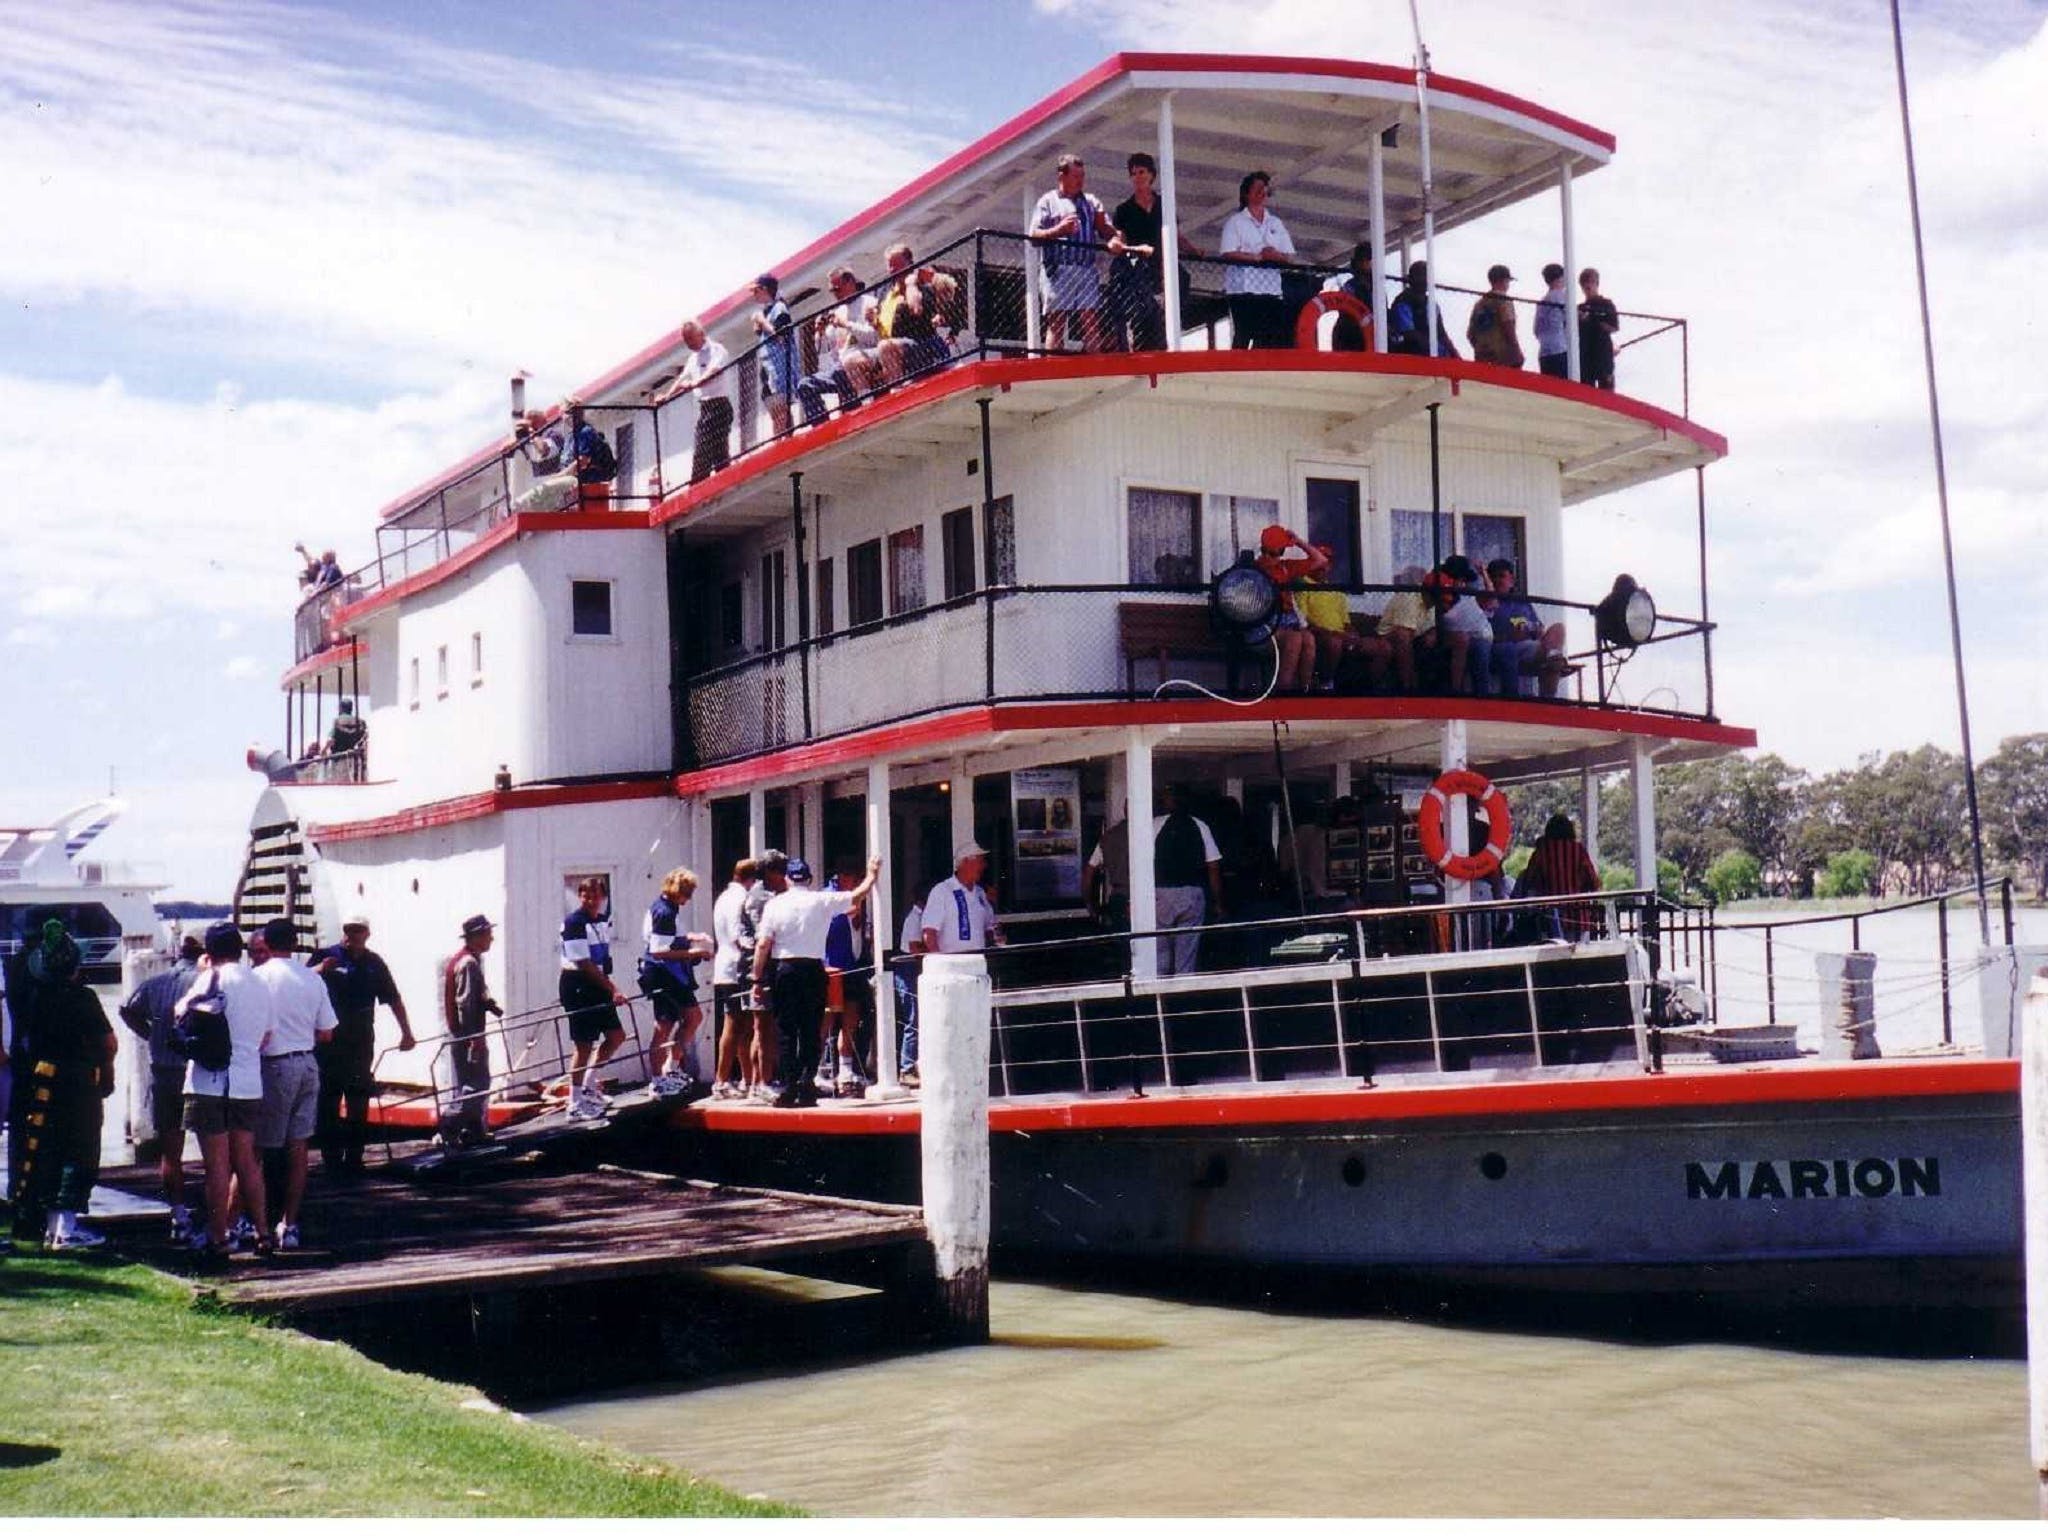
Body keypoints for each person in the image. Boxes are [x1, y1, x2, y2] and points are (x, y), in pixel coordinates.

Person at [13, 923, 117, 1250]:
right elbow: (109, 1043)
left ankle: (48, 1226)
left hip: (40, 1078)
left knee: (45, 1149)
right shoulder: (83, 998)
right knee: (79, 1151)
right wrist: (103, 1067)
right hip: (77, 1082)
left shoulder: (31, 998)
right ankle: (66, 1229)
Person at [752, 852, 881, 1108]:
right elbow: (857, 895)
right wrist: (871, 874)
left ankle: (790, 1086)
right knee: (811, 1029)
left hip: (785, 969)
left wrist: (756, 979)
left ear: (787, 879)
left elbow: (763, 945)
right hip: (813, 969)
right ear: (809, 879)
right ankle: (807, 1083)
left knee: (786, 1030)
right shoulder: (821, 901)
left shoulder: (775, 905)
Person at [178, 921, 275, 1266]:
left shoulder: (211, 979)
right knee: (247, 1161)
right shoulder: (259, 983)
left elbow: (181, 1014)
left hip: (210, 1081)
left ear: (211, 952)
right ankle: (263, 1233)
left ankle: (218, 1237)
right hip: (248, 1081)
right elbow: (267, 1035)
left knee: (216, 1165)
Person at [250, 918, 334, 1251]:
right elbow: (327, 1032)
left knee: (255, 1149)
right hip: (308, 1063)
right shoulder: (311, 979)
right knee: (298, 1149)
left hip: (273, 1064)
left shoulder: (258, 978)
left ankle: (250, 1222)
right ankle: (290, 1223)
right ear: (295, 943)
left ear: (266, 944)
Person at [310, 915, 414, 1175]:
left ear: (366, 934)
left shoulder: (374, 963)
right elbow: (299, 980)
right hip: (330, 1041)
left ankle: (355, 1157)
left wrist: (406, 1032)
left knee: (358, 1099)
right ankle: (331, 1158)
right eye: (348, 930)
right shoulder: (326, 955)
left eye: (358, 930)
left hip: (360, 1041)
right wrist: (320, 970)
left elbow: (393, 998)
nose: (352, 935)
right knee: (328, 1101)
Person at [119, 933, 204, 1243]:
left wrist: (150, 1033)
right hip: (198, 1074)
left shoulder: (156, 983)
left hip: (164, 1072)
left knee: (171, 1151)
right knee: (215, 1151)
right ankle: (221, 1215)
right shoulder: (206, 980)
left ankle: (178, 1214)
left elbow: (126, 1009)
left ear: (177, 953)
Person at [1107, 151, 1201, 352]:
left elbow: (1175, 235)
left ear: (1151, 175)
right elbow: (1120, 243)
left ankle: (1172, 323)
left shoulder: (1164, 205)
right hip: (1137, 264)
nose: (1137, 177)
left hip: (1161, 262)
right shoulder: (1124, 209)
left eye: (1141, 172)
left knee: (1183, 277)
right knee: (1143, 308)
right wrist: (1135, 249)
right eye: (1133, 173)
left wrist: (1194, 250)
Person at [1028, 153, 1120, 352]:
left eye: (1082, 176)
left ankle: (1094, 367)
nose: (1081, 181)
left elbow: (1107, 229)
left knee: (1091, 320)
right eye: (1076, 176)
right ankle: (1053, 371)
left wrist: (1114, 238)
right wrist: (1059, 230)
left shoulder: (1091, 202)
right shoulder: (1048, 201)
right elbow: (1033, 236)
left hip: (1086, 268)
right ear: (1062, 176)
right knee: (1057, 323)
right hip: (1057, 269)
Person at [640, 867, 713, 1098]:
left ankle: (670, 1068)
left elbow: (669, 938)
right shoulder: (664, 912)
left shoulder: (667, 908)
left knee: (689, 1018)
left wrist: (693, 936)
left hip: (670, 974)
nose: (689, 898)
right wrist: (694, 953)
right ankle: (659, 1079)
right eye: (688, 892)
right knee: (665, 1026)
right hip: (663, 974)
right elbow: (659, 950)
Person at [560, 876, 627, 1122]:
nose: (591, 900)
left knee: (616, 1036)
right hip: (578, 984)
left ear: (603, 897)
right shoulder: (574, 922)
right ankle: (574, 1102)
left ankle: (588, 1085)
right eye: (586, 895)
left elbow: (600, 960)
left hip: (596, 982)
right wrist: (612, 988)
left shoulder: (600, 921)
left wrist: (607, 985)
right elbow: (583, 963)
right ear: (580, 896)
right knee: (583, 1044)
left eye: (596, 895)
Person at [1148, 785, 1224, 977]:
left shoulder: (1154, 825)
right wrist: (1217, 902)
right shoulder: (1200, 825)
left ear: (1167, 801)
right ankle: (1182, 1001)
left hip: (1161, 894)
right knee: (1186, 959)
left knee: (1159, 957)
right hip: (1192, 894)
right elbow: (1213, 867)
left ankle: (1160, 1000)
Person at [439, 914, 501, 1146]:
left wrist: (488, 1003)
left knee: (471, 1082)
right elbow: (465, 1003)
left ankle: (474, 1130)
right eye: (487, 934)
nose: (491, 938)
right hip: (468, 1034)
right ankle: (450, 1126)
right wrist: (475, 1038)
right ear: (476, 937)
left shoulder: (465, 960)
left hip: (463, 1032)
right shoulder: (469, 964)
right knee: (477, 1083)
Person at [1218, 170, 1295, 349]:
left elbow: (1289, 256)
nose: (1262, 192)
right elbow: (1227, 253)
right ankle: (1237, 371)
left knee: (1268, 336)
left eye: (1264, 189)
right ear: (1247, 193)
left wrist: (1275, 255)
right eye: (1258, 188)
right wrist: (1257, 257)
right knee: (1244, 333)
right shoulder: (1235, 222)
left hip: (1271, 289)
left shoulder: (1275, 223)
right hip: (1243, 290)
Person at [654, 320, 735, 484]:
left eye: (691, 339)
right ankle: (721, 479)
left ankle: (699, 484)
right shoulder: (693, 358)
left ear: (701, 334)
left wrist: (694, 384)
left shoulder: (717, 350)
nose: (689, 345)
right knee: (715, 448)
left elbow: (713, 372)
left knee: (705, 447)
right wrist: (667, 395)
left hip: (719, 404)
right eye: (686, 341)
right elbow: (682, 378)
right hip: (705, 406)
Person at [796, 268, 881, 424]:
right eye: (831, 291)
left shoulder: (869, 302)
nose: (835, 294)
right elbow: (826, 352)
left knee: (844, 378)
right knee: (805, 385)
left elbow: (873, 337)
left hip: (862, 361)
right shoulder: (837, 311)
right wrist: (820, 334)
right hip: (840, 369)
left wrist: (846, 324)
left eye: (837, 288)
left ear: (850, 282)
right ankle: (821, 427)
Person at [1296, 554, 1390, 691]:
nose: (1322, 568)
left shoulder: (1335, 589)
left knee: (1383, 647)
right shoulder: (1303, 585)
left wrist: (1353, 633)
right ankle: (1326, 684)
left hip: (1341, 635)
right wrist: (1334, 634)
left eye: (1326, 564)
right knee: (1335, 642)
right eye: (1318, 564)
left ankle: (1369, 690)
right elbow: (1302, 622)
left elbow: (1346, 621)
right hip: (1320, 635)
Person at [820, 866, 875, 1098]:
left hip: (853, 967)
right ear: (841, 875)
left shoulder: (856, 901)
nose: (855, 882)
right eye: (853, 877)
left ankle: (845, 1069)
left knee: (851, 1018)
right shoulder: (827, 897)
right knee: (827, 1018)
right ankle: (816, 1068)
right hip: (832, 968)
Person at [709, 857, 759, 1100]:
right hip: (736, 968)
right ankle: (721, 1081)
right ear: (752, 879)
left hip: (724, 966)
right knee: (734, 1024)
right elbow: (740, 936)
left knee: (741, 1026)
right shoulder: (741, 900)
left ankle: (746, 1080)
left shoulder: (722, 898)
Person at [1255, 524, 1326, 694]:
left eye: (1274, 553)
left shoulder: (1286, 568)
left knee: (1308, 638)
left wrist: (1299, 542)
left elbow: (1321, 560)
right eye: (1264, 551)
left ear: (1281, 553)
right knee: (1295, 638)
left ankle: (1304, 690)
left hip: (1285, 624)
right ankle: (1283, 692)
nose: (1267, 556)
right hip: (1260, 627)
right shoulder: (1251, 569)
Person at [1484, 558, 1569, 698]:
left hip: (1530, 645)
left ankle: (1547, 697)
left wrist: (1537, 631)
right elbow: (1483, 635)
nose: (1497, 580)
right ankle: (1520, 698)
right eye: (1494, 577)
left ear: (1511, 579)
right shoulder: (1488, 601)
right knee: (1510, 649)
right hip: (1504, 646)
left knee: (1558, 629)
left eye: (1501, 576)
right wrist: (1511, 636)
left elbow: (1539, 627)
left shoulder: (1522, 603)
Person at [871, 245, 952, 383]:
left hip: (921, 345)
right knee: (855, 360)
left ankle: (896, 391)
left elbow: (916, 310)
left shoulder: (922, 287)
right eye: (890, 265)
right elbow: (877, 323)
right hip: (889, 349)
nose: (893, 270)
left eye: (897, 265)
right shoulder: (884, 292)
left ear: (910, 264)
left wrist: (910, 285)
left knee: (886, 346)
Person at [1520, 814, 1604, 939]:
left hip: (1550, 918)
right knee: (1578, 954)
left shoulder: (1542, 851)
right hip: (1578, 916)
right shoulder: (1578, 850)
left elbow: (1529, 881)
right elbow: (1593, 882)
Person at [920, 842, 1003, 960]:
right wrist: (940, 961)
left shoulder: (980, 893)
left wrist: (996, 939)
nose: (984, 866)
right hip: (952, 966)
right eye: (980, 861)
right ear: (965, 862)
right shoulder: (943, 890)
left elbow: (990, 928)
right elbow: (929, 932)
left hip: (978, 963)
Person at [1433, 555, 1496, 695]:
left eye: (1463, 580)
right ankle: (1456, 692)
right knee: (1462, 641)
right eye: (1457, 579)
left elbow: (1492, 601)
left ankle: (1482, 698)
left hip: (1479, 636)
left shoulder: (1469, 596)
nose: (1460, 583)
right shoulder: (1441, 596)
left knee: (1480, 647)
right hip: (1452, 637)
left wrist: (1484, 574)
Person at [1376, 565, 1441, 691]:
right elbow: (1403, 634)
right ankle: (1408, 688)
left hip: (1415, 636)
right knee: (1404, 636)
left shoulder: (1435, 603)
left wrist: (1433, 632)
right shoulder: (1409, 597)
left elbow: (1433, 624)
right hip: (1387, 636)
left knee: (1436, 639)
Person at [750, 274, 797, 436]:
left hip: (779, 369)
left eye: (756, 291)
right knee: (774, 407)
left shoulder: (780, 309)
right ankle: (781, 439)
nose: (753, 295)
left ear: (764, 289)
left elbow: (781, 336)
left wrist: (762, 321)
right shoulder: (768, 310)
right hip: (768, 368)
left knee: (781, 408)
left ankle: (784, 441)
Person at [510, 410, 579, 513]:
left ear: (538, 422)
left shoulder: (553, 435)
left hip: (556, 482)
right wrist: (517, 437)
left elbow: (543, 450)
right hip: (542, 485)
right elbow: (504, 450)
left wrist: (531, 433)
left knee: (524, 502)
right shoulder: (532, 439)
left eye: (531, 423)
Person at [1387, 262, 1458, 358]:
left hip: (1431, 354)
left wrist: (1455, 355)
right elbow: (1409, 334)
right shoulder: (1403, 301)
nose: (1426, 279)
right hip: (1409, 355)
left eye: (1428, 276)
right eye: (1421, 275)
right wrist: (1434, 349)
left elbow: (1442, 334)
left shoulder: (1432, 304)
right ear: (1411, 279)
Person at [892, 897, 926, 1088]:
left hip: (913, 968)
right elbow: (914, 948)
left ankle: (915, 1064)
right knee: (912, 1020)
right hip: (908, 968)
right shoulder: (914, 918)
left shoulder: (921, 916)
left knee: (917, 1019)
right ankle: (906, 1069)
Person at [1466, 264, 1524, 369]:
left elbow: (1470, 334)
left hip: (1482, 356)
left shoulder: (1480, 304)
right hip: (1503, 357)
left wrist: (1482, 347)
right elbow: (1508, 325)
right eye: (1508, 281)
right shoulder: (1503, 300)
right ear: (1503, 280)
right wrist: (1516, 350)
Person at [1325, 242, 1375, 351]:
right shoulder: (1348, 287)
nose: (1367, 263)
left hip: (1372, 336)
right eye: (1363, 260)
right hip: (1349, 335)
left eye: (1369, 260)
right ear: (1356, 263)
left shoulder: (1378, 288)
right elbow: (1346, 313)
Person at [1578, 268, 1620, 390]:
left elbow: (1613, 327)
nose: (1588, 286)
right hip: (1585, 357)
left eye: (1591, 282)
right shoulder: (1579, 308)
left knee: (1607, 393)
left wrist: (1593, 320)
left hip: (1603, 355)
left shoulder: (1606, 304)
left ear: (1597, 284)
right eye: (1585, 284)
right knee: (1586, 392)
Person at [1534, 263, 1570, 378]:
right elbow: (1573, 318)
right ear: (1561, 277)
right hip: (1560, 349)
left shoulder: (1542, 302)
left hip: (1544, 352)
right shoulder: (1561, 297)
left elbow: (1536, 329)